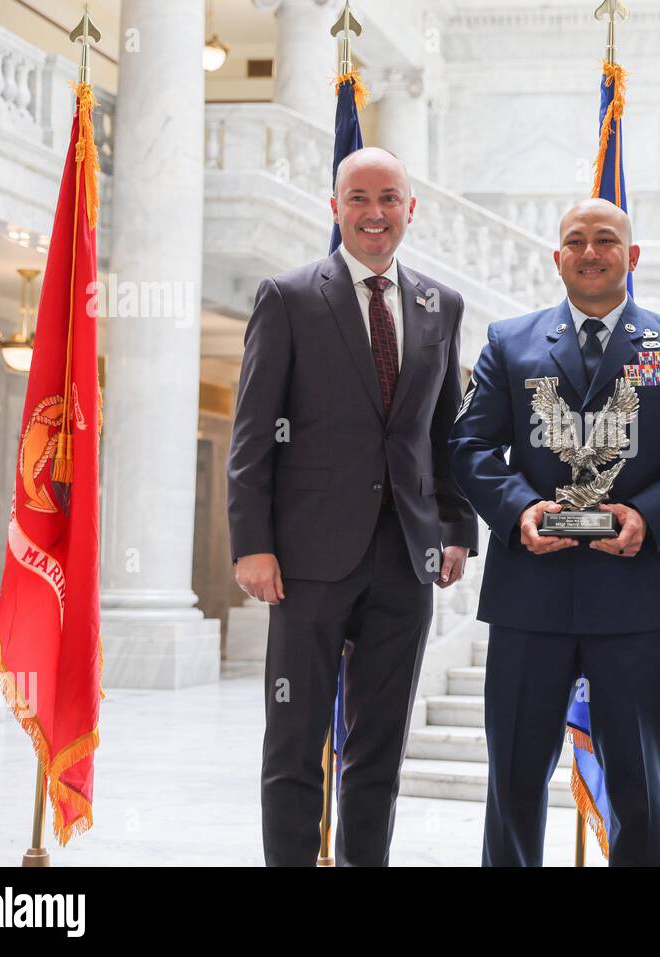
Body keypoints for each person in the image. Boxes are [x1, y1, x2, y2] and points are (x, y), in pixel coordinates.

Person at [450, 198, 660, 866]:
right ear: (557, 258)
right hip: (531, 596)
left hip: (638, 598)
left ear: (631, 256)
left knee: (639, 782)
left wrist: (651, 514)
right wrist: (518, 509)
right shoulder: (509, 342)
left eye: (605, 239)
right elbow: (469, 444)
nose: (589, 251)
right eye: (575, 240)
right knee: (515, 780)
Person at [227, 147, 478, 866]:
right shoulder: (289, 297)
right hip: (306, 560)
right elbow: (252, 433)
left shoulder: (441, 305)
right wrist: (252, 541)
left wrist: (457, 526)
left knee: (379, 750)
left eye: (389, 197)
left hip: (406, 559)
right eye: (359, 197)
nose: (375, 212)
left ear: (410, 208)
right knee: (294, 743)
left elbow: (444, 429)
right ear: (334, 206)